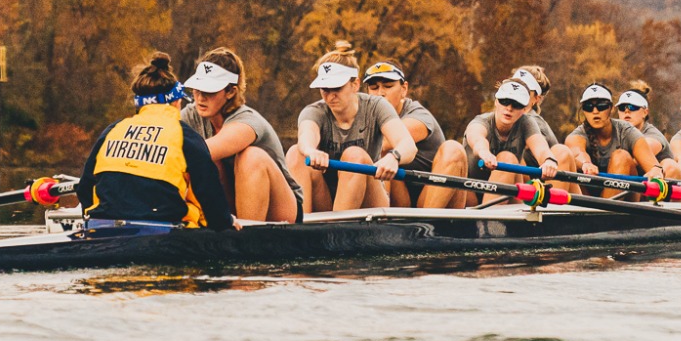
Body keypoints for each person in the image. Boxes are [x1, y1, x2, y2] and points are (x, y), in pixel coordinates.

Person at [75, 52, 236, 229]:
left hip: (103, 229)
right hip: (162, 234)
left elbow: (84, 189)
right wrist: (226, 224)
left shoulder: (112, 130)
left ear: (140, 104)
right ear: (176, 103)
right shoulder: (185, 136)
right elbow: (210, 197)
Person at [287, 43, 421, 212]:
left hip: (369, 198)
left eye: (337, 87)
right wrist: (310, 151)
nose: (331, 95)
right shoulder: (314, 112)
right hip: (327, 201)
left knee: (354, 154)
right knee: (295, 153)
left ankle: (336, 234)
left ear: (355, 84)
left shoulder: (376, 106)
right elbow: (306, 136)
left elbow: (408, 145)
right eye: (325, 89)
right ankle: (299, 230)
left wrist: (394, 158)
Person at [181, 47, 303, 223]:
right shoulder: (192, 114)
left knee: (249, 156)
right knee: (206, 160)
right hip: (232, 205)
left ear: (230, 92)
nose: (200, 98)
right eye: (197, 89)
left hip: (281, 211)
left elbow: (202, 151)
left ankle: (245, 241)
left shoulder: (247, 121)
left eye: (209, 91)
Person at [361, 60, 469, 208]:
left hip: (433, 201)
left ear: (404, 89)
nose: (380, 93)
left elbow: (383, 142)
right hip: (400, 200)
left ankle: (426, 227)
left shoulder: (418, 116)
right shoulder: (362, 118)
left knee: (453, 148)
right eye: (374, 88)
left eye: (388, 86)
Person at [462, 77, 559, 204]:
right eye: (505, 101)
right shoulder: (481, 121)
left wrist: (549, 160)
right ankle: (489, 222)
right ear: (496, 102)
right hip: (469, 192)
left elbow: (540, 147)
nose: (509, 108)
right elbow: (477, 138)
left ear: (525, 109)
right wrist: (484, 153)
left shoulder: (527, 123)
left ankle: (492, 221)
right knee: (451, 147)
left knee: (507, 158)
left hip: (505, 192)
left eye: (516, 104)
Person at [556, 82, 667, 193]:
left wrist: (656, 172)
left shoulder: (627, 131)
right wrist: (586, 164)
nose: (595, 111)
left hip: (626, 198)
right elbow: (578, 152)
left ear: (611, 108)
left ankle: (605, 208)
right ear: (584, 111)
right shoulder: (576, 135)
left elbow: (653, 166)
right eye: (589, 107)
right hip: (586, 195)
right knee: (561, 152)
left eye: (601, 106)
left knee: (621, 156)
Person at [614, 83, 681, 179]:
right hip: (631, 183)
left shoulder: (653, 135)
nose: (627, 111)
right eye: (622, 108)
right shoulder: (612, 132)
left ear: (645, 112)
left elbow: (639, 153)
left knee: (669, 165)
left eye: (632, 107)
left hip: (653, 186)